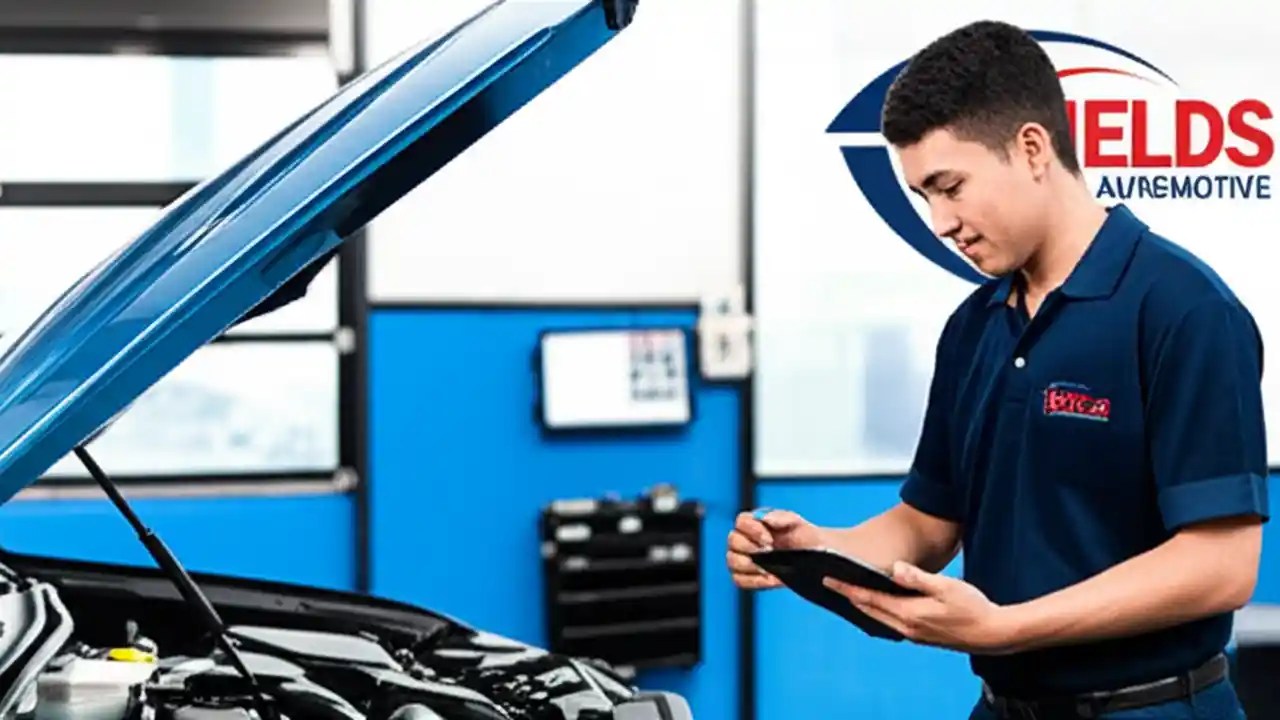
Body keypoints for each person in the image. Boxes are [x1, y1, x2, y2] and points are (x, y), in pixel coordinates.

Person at [727, 19, 1268, 720]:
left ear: (1032, 148)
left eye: (950, 186)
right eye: (923, 197)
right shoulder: (973, 327)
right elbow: (927, 525)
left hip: (1153, 708)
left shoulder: (1184, 310)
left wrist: (1006, 628)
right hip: (1004, 707)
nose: (939, 221)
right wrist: (818, 549)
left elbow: (1220, 567)